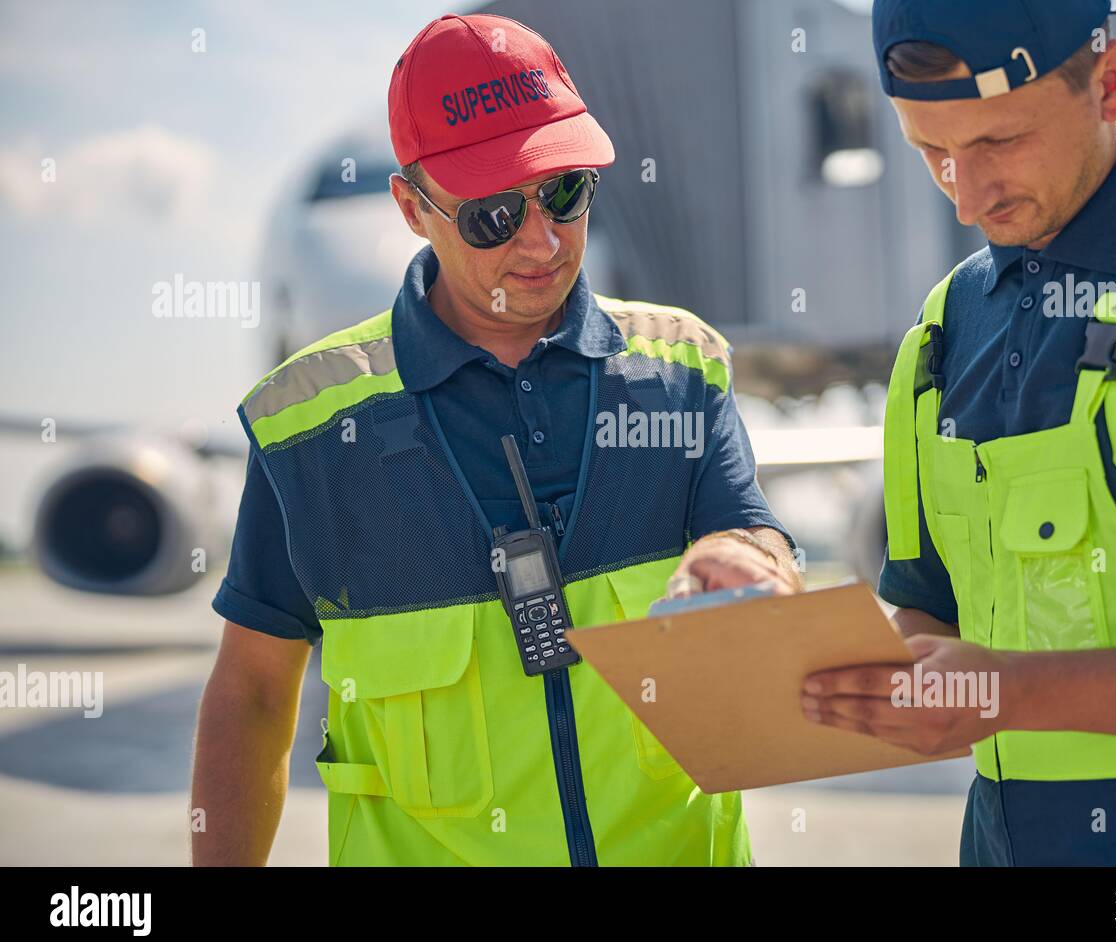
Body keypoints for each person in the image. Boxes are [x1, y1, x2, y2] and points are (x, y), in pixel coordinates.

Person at [192, 12, 800, 867]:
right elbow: (253, 693)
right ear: (413, 208)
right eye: (491, 215)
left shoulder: (681, 369)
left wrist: (759, 564)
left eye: (565, 193)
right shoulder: (313, 427)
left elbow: (750, 529)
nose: (542, 241)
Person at [802, 0, 1116, 865]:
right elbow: (928, 616)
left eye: (997, 143)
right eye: (931, 152)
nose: (967, 193)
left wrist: (1012, 693)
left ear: (1110, 83)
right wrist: (843, 677)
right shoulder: (944, 328)